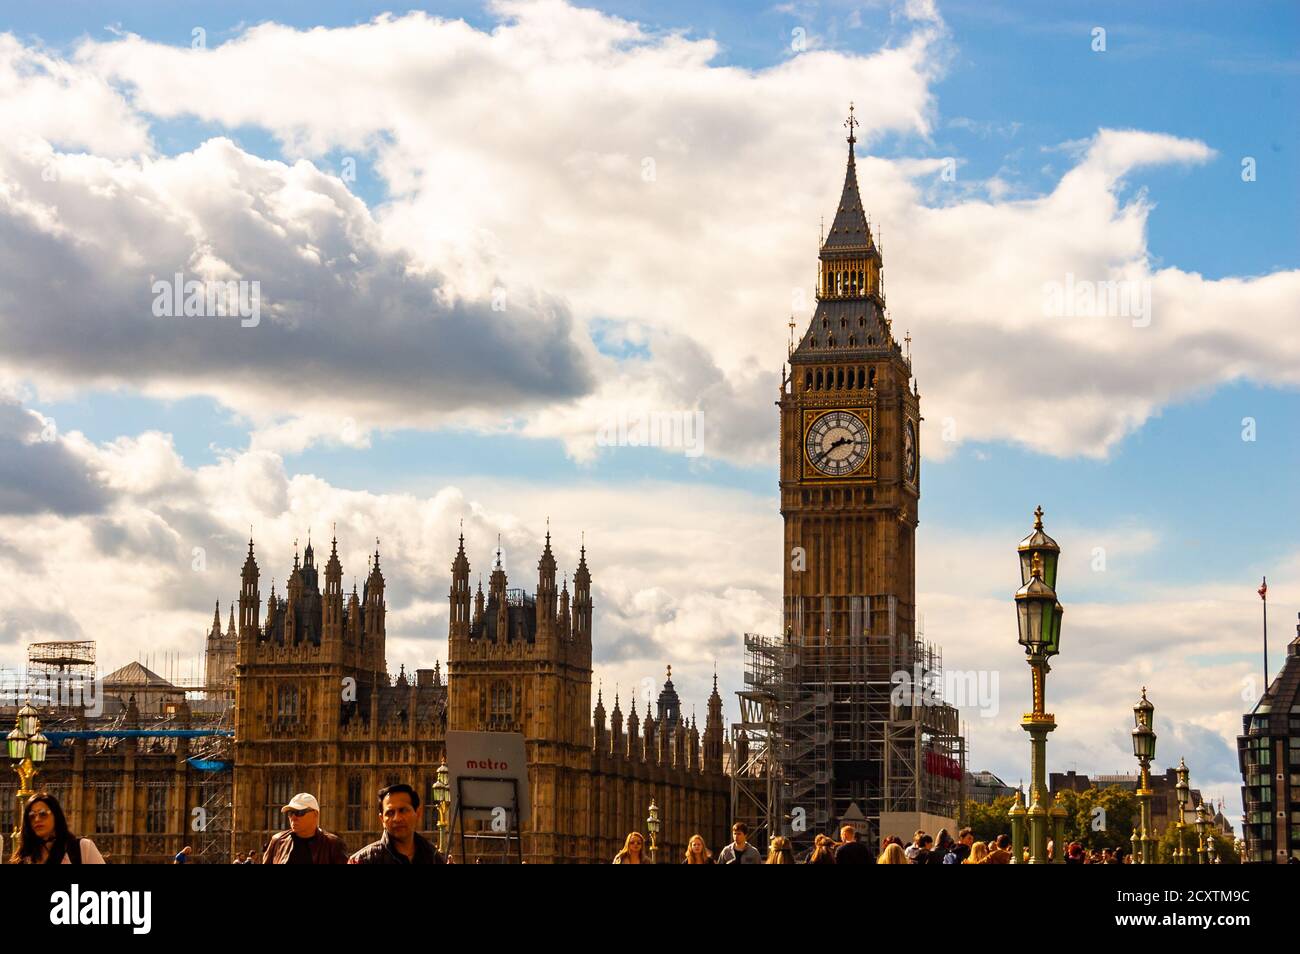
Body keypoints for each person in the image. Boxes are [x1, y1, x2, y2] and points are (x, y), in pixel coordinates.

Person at [347, 784, 444, 864]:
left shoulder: (434, 858)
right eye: (390, 813)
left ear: (418, 814)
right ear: (382, 819)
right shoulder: (362, 860)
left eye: (403, 810)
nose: (397, 818)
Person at [10, 792, 105, 864]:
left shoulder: (82, 848)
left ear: (56, 816)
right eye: (31, 816)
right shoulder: (23, 859)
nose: (37, 819)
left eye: (43, 814)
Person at [264, 792, 348, 864]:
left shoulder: (333, 845)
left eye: (299, 812)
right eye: (290, 813)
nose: (293, 817)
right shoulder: (278, 841)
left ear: (315, 814)